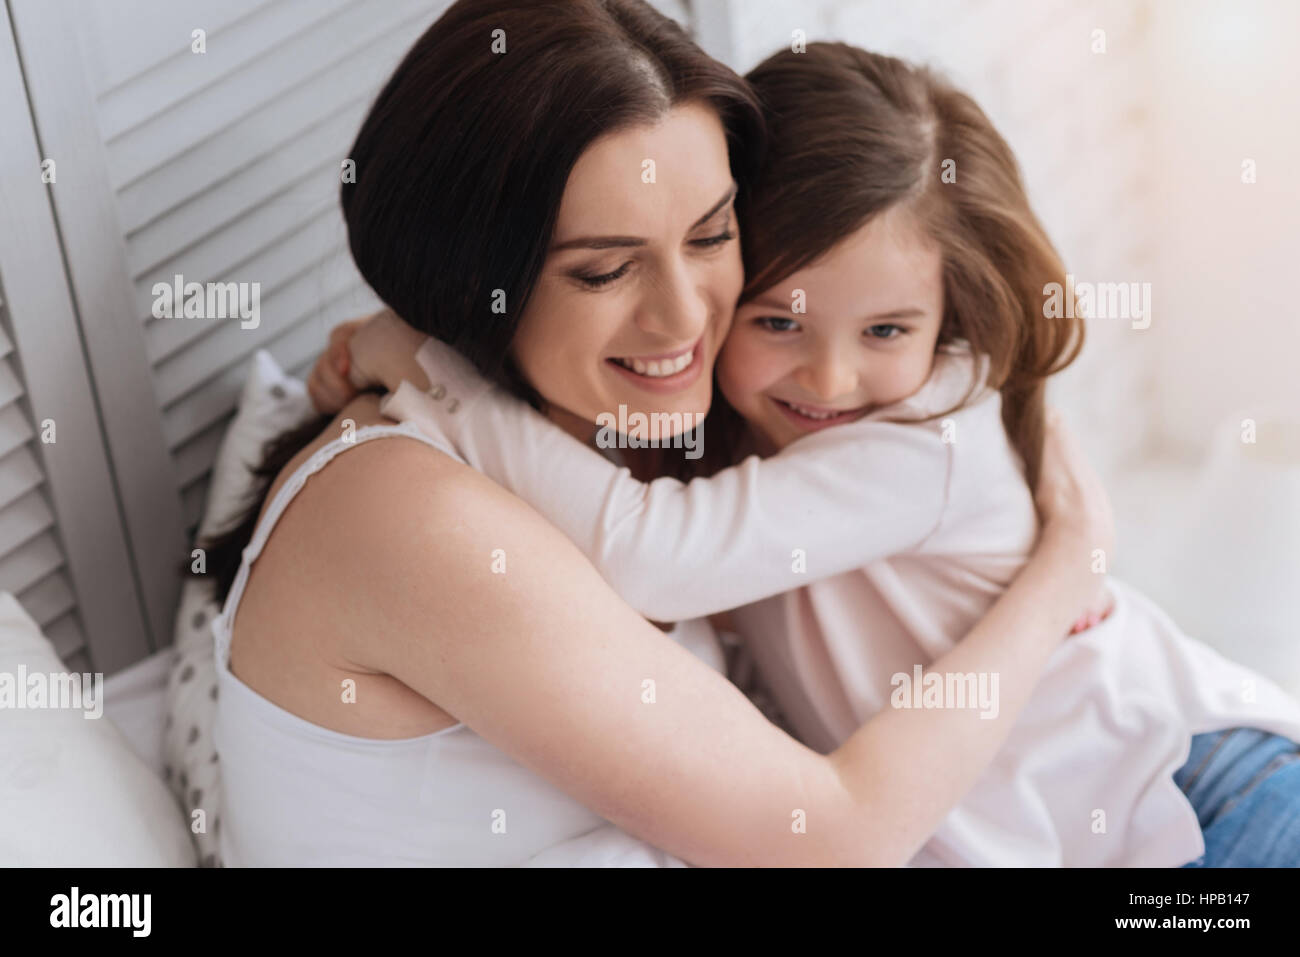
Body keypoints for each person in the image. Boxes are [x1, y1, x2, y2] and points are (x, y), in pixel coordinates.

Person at [202, 0, 1111, 866]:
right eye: (605, 271)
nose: (684, 319)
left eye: (713, 236)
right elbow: (834, 840)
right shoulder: (407, 514)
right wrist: (1061, 570)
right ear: (474, 276)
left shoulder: (602, 431)